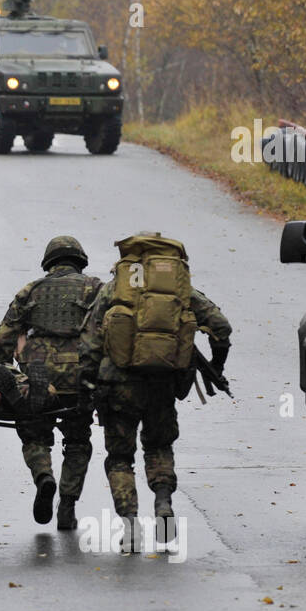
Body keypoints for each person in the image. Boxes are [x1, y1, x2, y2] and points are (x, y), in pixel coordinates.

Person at [79, 233, 231, 551]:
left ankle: (131, 526)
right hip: (162, 383)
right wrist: (218, 365)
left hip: (118, 385)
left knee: (120, 457)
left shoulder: (116, 288)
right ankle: (163, 503)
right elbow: (221, 326)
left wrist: (90, 381)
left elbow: (91, 338)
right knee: (159, 447)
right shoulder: (179, 288)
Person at [0, 236, 102, 529]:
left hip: (38, 376)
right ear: (79, 261)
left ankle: (44, 476)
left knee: (34, 434)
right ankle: (67, 504)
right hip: (79, 377)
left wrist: (5, 370)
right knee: (78, 440)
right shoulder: (95, 289)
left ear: (49, 263)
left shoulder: (31, 291)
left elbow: (6, 334)